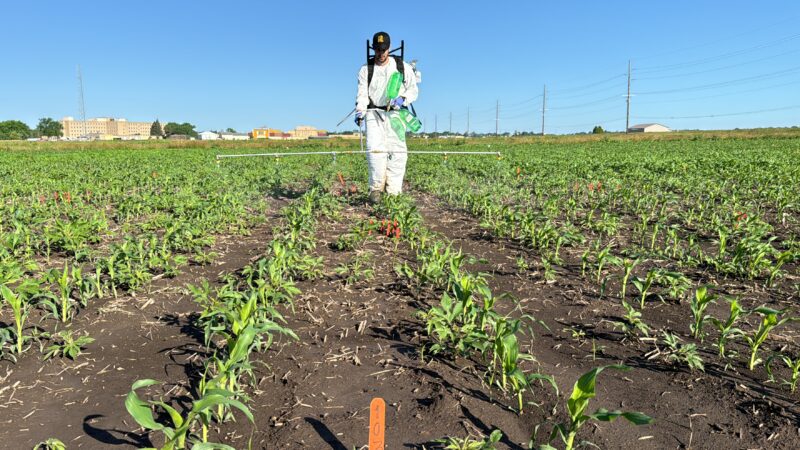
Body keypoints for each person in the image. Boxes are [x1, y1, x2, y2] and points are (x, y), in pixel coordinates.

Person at [355, 31, 419, 205]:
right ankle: (376, 189)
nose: (380, 53)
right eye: (377, 50)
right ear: (373, 49)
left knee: (397, 150)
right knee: (374, 150)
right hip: (373, 113)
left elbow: (413, 90)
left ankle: (393, 191)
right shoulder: (365, 70)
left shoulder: (402, 67)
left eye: (383, 50)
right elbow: (362, 94)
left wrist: (403, 99)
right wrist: (360, 110)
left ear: (389, 48)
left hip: (396, 113)